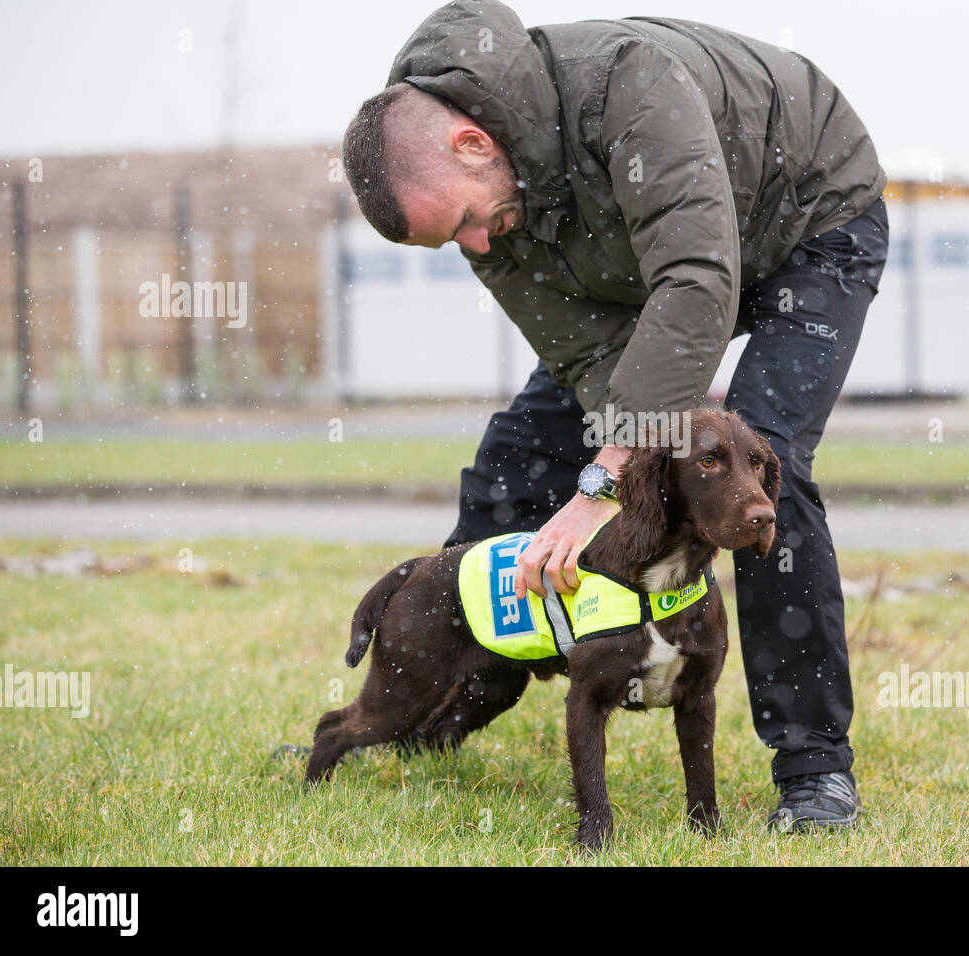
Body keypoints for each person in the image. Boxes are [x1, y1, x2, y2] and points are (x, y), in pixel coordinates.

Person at [341, 0, 889, 831]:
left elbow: (698, 282)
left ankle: (814, 772)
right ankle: (428, 710)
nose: (479, 250)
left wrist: (601, 482)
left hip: (807, 221)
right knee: (519, 458)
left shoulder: (628, 85)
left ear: (472, 143)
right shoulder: (493, 216)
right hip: (655, 276)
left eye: (464, 224)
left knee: (763, 463)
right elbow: (598, 367)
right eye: (452, 243)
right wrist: (628, 457)